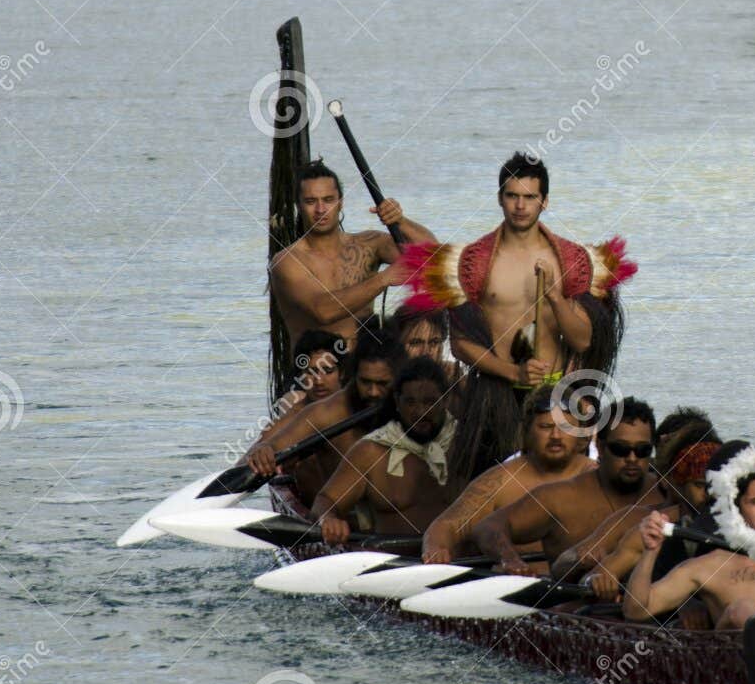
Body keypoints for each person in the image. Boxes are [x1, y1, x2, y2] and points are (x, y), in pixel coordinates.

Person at [399, 153, 635, 481]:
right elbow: (461, 344)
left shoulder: (571, 260)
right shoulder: (474, 262)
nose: (520, 206)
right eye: (512, 196)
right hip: (498, 396)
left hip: (559, 392)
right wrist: (513, 372)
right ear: (500, 198)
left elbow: (582, 340)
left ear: (544, 201)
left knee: (566, 488)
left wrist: (554, 297)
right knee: (495, 486)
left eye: (529, 197)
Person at [469, 397, 658, 575]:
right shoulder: (559, 497)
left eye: (643, 450)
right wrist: (510, 560)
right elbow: (488, 526)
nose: (632, 458)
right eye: (621, 449)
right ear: (599, 447)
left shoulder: (666, 492)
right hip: (573, 605)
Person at [269, 160, 435, 361]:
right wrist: (384, 279)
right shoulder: (287, 261)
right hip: (313, 375)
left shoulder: (369, 244)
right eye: (311, 201)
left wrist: (401, 221)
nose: (321, 209)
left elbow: (433, 258)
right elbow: (323, 311)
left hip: (364, 371)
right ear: (299, 206)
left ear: (341, 202)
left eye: (328, 199)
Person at [552, 410, 725, 600]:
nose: (711, 496)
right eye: (700, 485)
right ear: (670, 478)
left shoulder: (746, 523)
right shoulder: (639, 523)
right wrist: (592, 576)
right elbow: (573, 573)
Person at [418, 389, 595, 563]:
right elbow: (447, 525)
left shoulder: (597, 477)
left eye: (565, 427)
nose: (556, 436)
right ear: (527, 432)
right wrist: (436, 549)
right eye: (545, 426)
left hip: (576, 588)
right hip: (512, 583)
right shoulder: (500, 480)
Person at [624, 458, 755, 630]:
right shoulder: (709, 565)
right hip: (736, 653)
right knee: (742, 610)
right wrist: (651, 550)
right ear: (736, 509)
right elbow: (636, 611)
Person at [246, 330, 403, 503]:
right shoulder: (305, 412)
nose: (319, 381)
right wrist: (261, 452)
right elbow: (258, 450)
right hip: (327, 505)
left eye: (327, 371)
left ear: (342, 373)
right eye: (311, 372)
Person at [313, 357, 459, 543]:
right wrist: (328, 519)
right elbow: (325, 501)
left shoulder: (465, 445)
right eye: (411, 403)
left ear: (445, 400)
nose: (420, 412)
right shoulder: (370, 452)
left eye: (429, 402)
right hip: (391, 568)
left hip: (462, 564)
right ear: (397, 402)